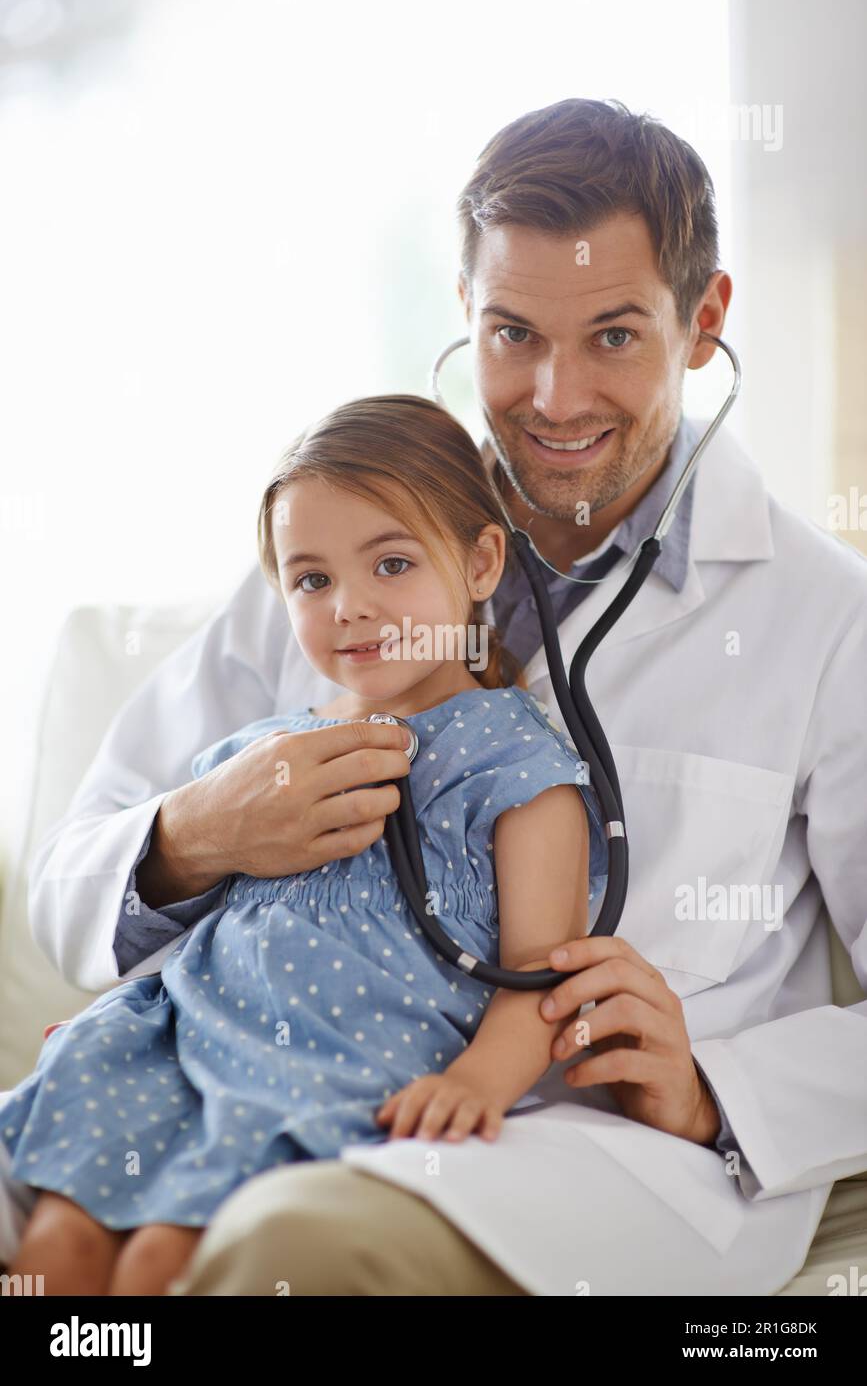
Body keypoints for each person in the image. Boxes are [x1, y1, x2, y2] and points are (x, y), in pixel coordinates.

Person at [5, 97, 866, 1297]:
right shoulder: (340, 558)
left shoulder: (831, 620)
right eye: (514, 333)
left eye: (615, 336)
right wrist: (195, 834)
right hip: (283, 1080)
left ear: (705, 319)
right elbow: (68, 872)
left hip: (600, 1156)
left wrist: (713, 1087)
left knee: (285, 1244)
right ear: (464, 310)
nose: (556, 400)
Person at [2, 395, 610, 1295]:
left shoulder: (515, 769)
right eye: (311, 581)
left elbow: (542, 973)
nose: (350, 608)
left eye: (392, 564)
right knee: (56, 1254)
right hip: (169, 1044)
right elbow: (203, 923)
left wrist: (479, 1081)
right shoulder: (262, 752)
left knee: (165, 1263)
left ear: (481, 561)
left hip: (325, 1062)